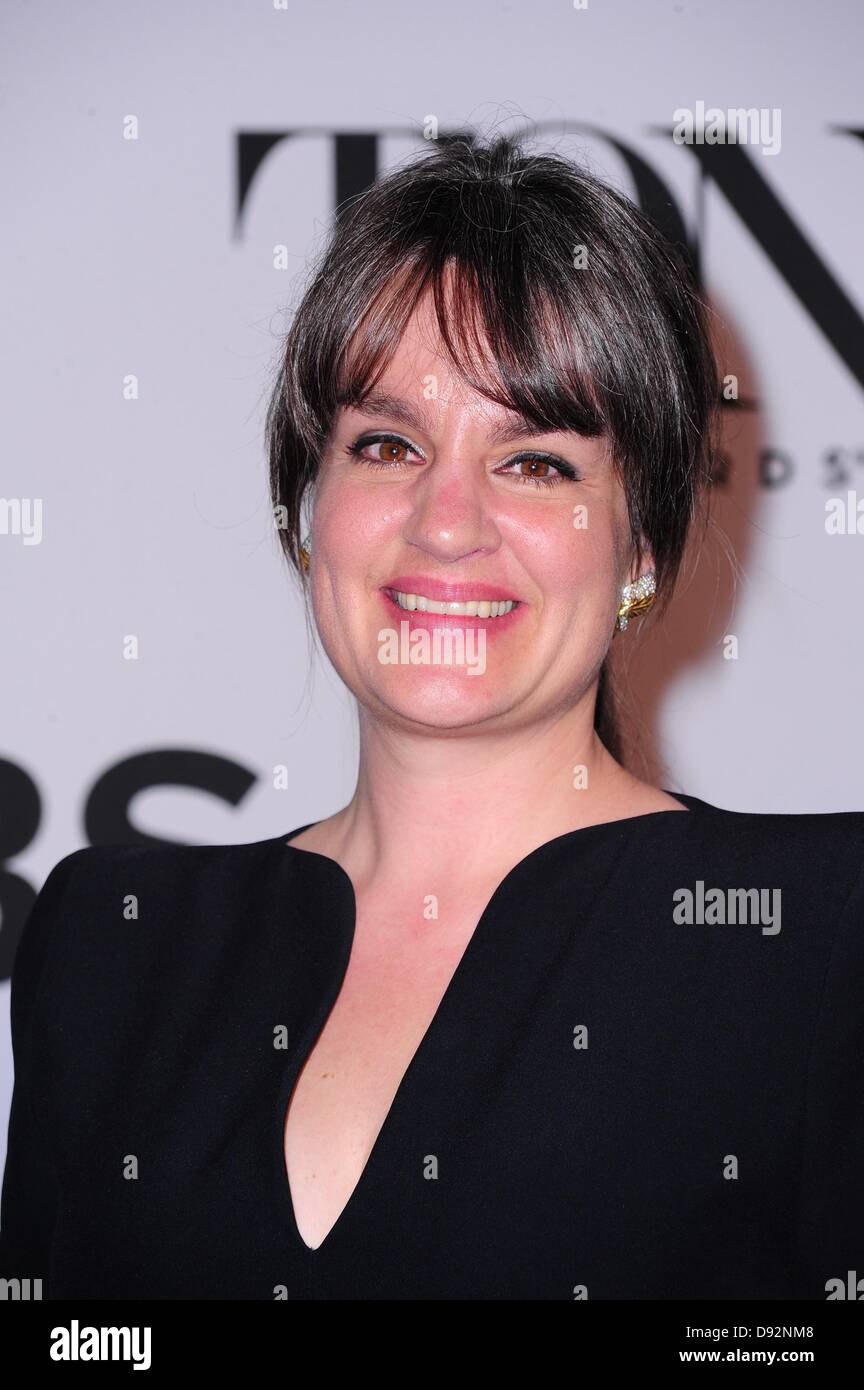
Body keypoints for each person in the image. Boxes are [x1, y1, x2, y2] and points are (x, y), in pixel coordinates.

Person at [2, 136, 862, 1300]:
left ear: (642, 550)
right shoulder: (111, 943)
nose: (446, 520)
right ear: (309, 512)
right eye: (388, 444)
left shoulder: (813, 936)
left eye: (537, 462)